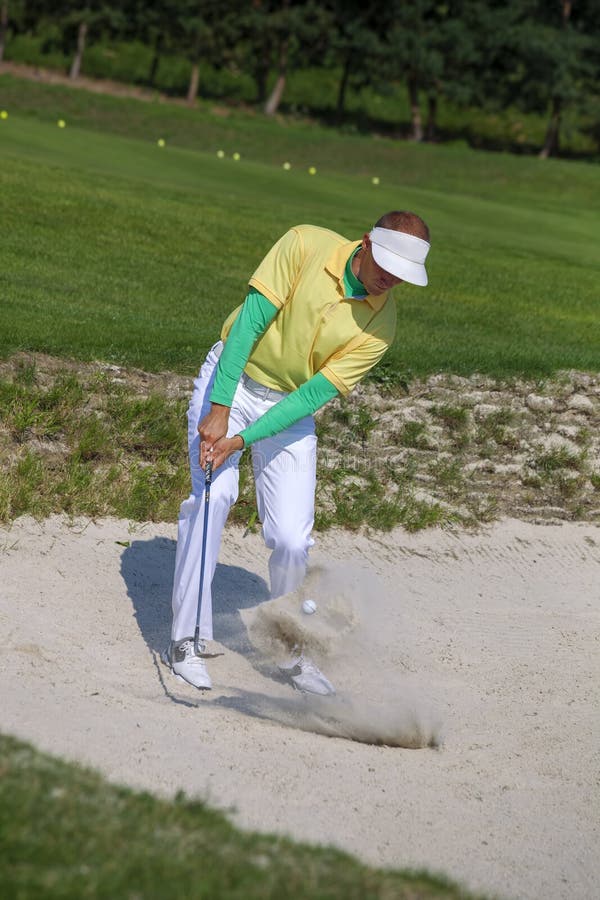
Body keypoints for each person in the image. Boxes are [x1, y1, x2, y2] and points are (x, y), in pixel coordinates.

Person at [161, 211, 430, 695]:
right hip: (232, 381)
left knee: (290, 537)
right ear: (366, 242)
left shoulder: (381, 324)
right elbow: (247, 326)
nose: (389, 278)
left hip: (288, 409)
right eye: (386, 262)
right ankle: (186, 639)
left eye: (402, 274)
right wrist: (220, 409)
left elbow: (309, 398)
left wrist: (241, 440)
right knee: (213, 498)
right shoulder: (305, 244)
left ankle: (289, 648)